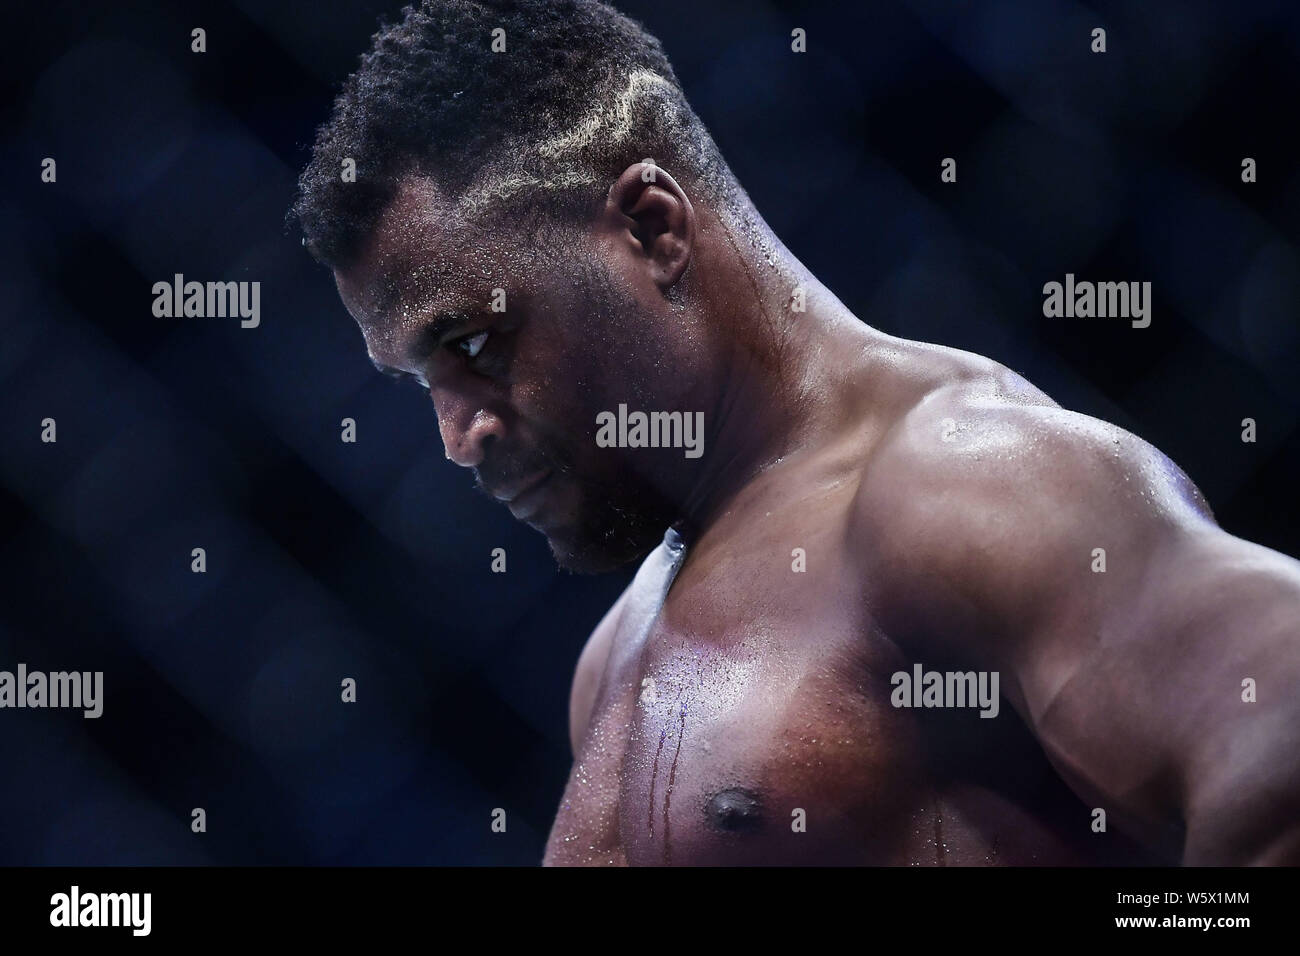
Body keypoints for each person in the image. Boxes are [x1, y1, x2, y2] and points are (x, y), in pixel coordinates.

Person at [292, 0, 1300, 865]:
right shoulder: (618, 650)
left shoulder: (961, 486)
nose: (456, 436)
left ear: (650, 227)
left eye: (475, 340)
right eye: (417, 380)